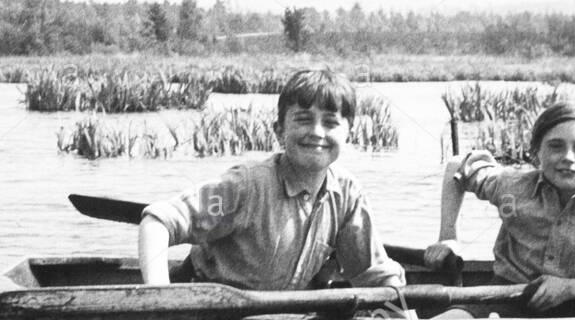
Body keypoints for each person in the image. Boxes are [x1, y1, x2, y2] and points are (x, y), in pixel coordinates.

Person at [138, 68, 405, 291]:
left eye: (330, 123)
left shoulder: (347, 195)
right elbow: (159, 222)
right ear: (279, 131)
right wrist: (159, 297)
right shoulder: (241, 189)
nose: (316, 132)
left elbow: (373, 276)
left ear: (349, 133)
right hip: (206, 317)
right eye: (303, 120)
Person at [426, 101, 575, 318]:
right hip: (504, 302)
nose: (568, 158)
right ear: (536, 152)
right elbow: (458, 166)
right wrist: (448, 236)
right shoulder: (512, 187)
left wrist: (569, 288)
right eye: (555, 147)